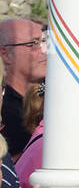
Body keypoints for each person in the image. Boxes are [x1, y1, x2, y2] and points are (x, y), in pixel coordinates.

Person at [0, 18, 46, 154]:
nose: (44, 50)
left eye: (44, 42)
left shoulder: (50, 100)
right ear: (6, 54)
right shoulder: (5, 113)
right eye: (34, 43)